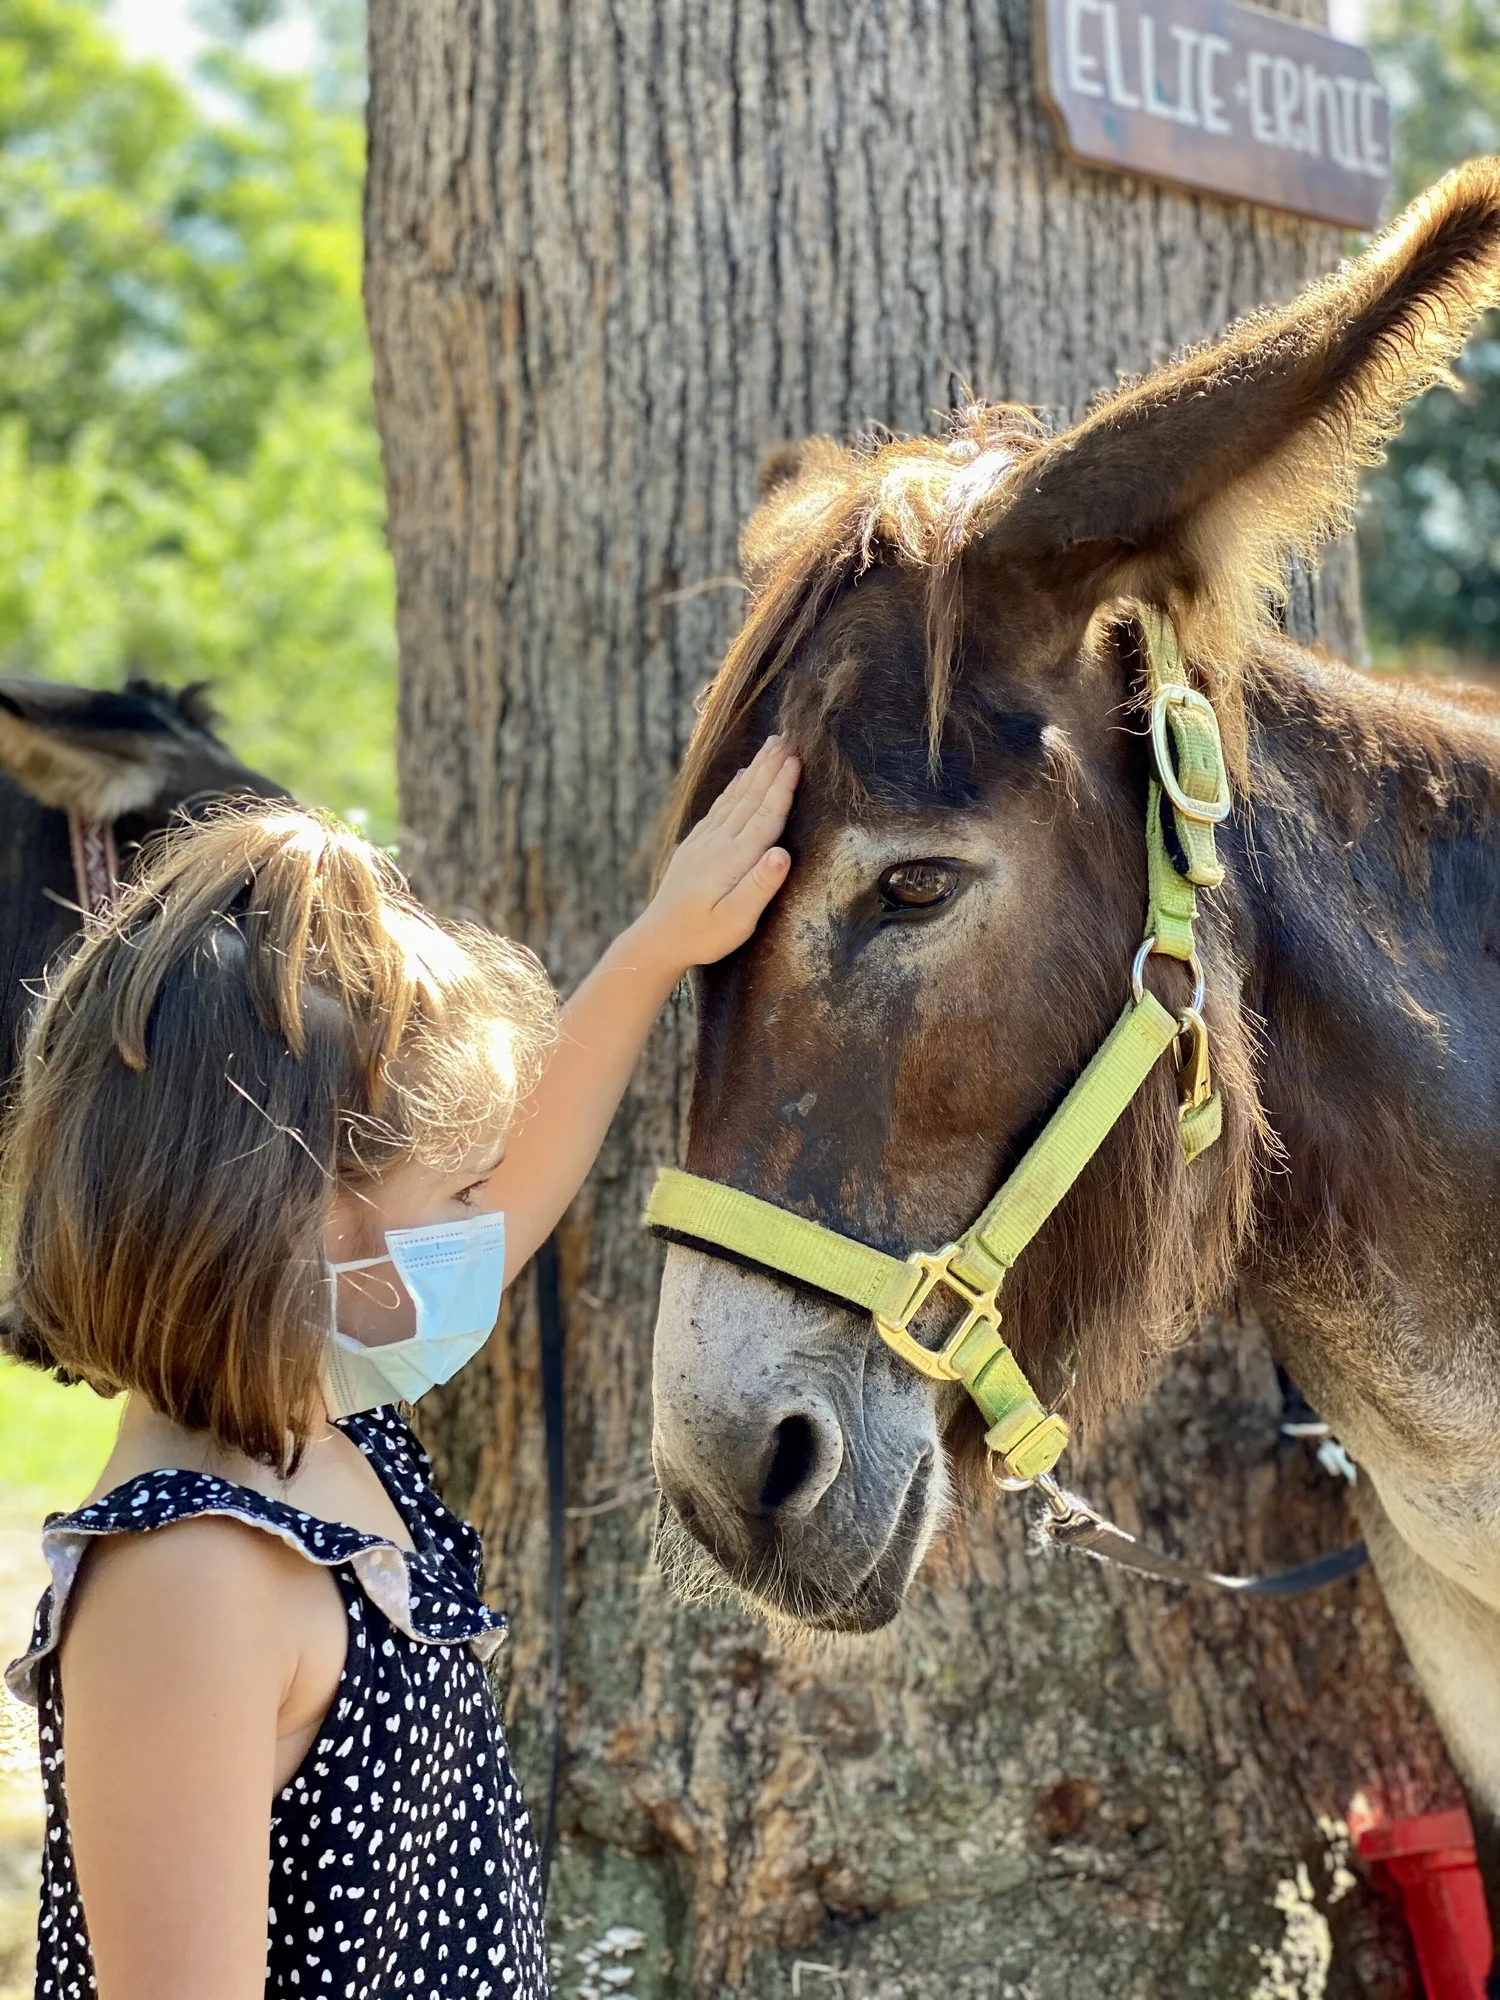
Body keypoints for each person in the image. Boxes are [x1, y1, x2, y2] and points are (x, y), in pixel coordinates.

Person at [0, 735, 799, 2000]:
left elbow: (516, 1178)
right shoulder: (190, 1583)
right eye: (460, 1190)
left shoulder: (324, 1429)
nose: (495, 1223)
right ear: (300, 1225)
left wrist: (658, 947)